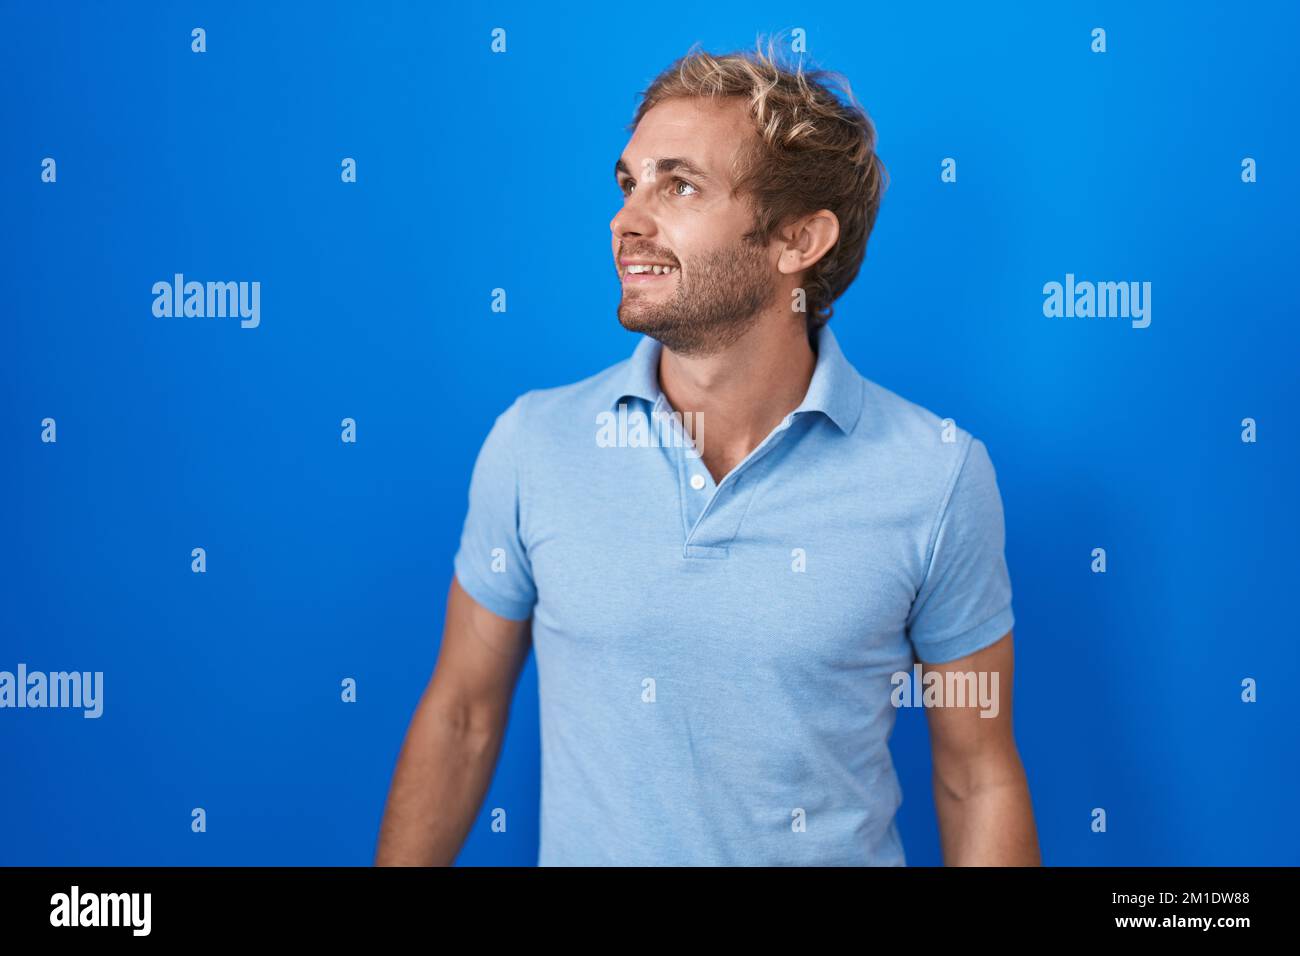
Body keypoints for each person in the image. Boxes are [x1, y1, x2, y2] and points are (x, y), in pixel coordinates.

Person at [375, 39, 1039, 866]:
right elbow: (463, 718)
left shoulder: (937, 475)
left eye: (679, 184)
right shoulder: (532, 444)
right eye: (629, 182)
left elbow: (979, 779)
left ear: (799, 239)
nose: (627, 219)